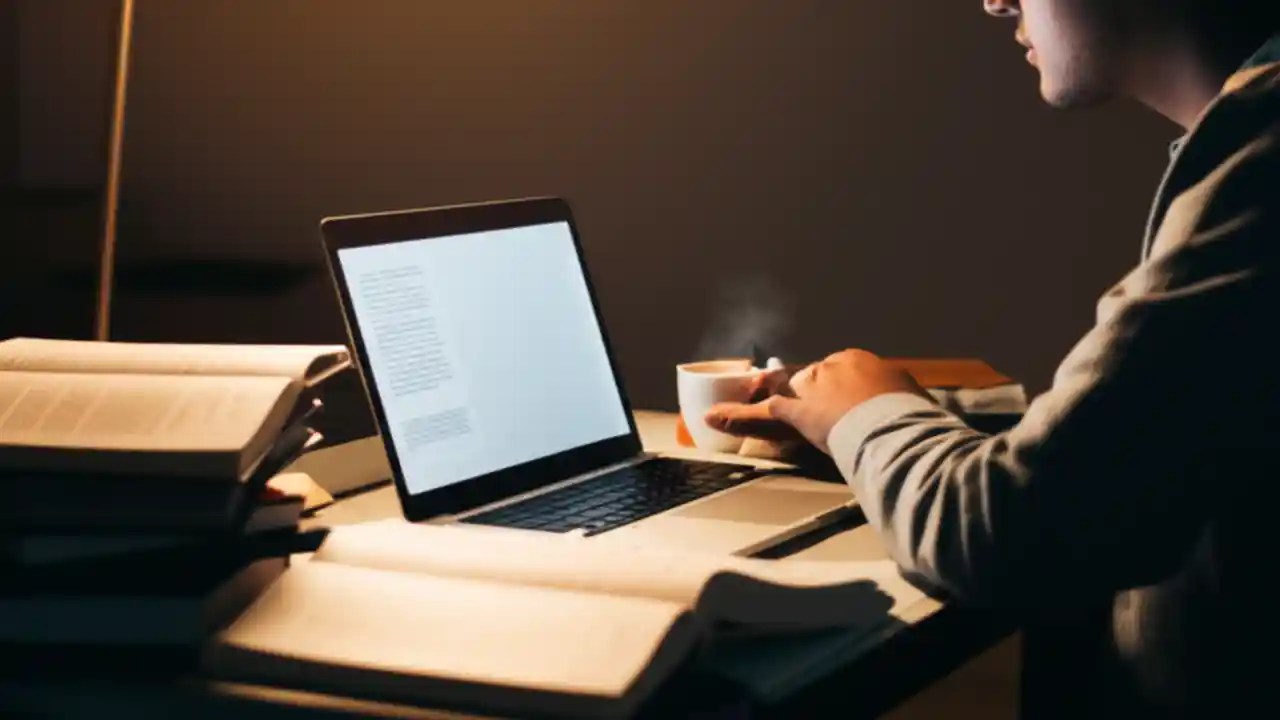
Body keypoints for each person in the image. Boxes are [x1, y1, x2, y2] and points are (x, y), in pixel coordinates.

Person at [706, 1, 1280, 716]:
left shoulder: (1265, 163)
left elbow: (1004, 533)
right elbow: (1165, 444)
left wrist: (872, 416)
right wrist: (852, 425)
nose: (995, 1)